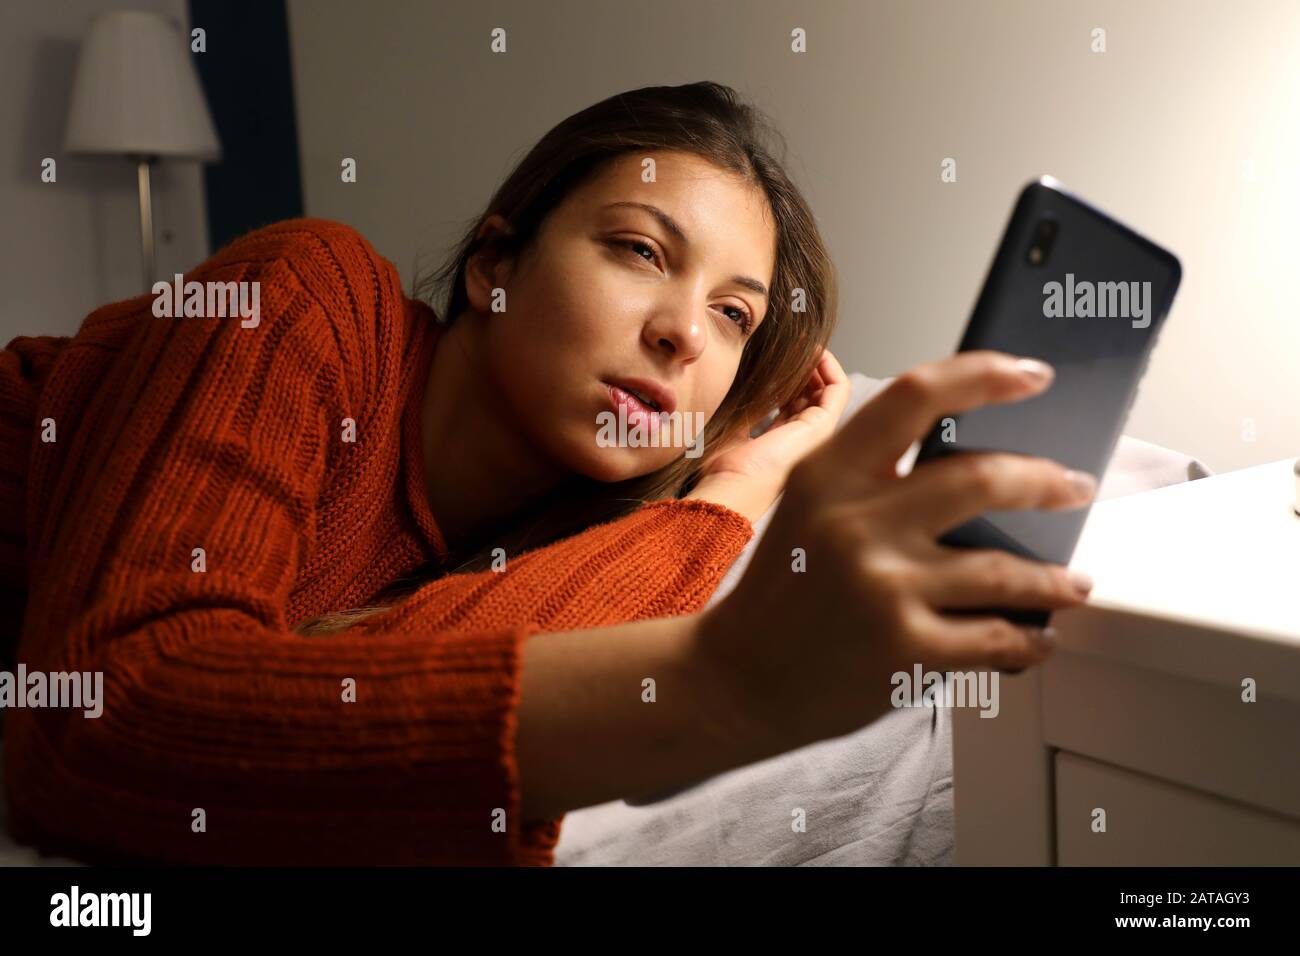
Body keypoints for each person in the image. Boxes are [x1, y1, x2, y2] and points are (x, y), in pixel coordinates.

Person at [0, 81, 1093, 866]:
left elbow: (416, 709)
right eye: (638, 250)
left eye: (732, 315)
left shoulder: (576, 518)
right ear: (492, 265)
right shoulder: (302, 294)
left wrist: (735, 490)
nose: (681, 335)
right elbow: (105, 719)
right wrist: (730, 678)